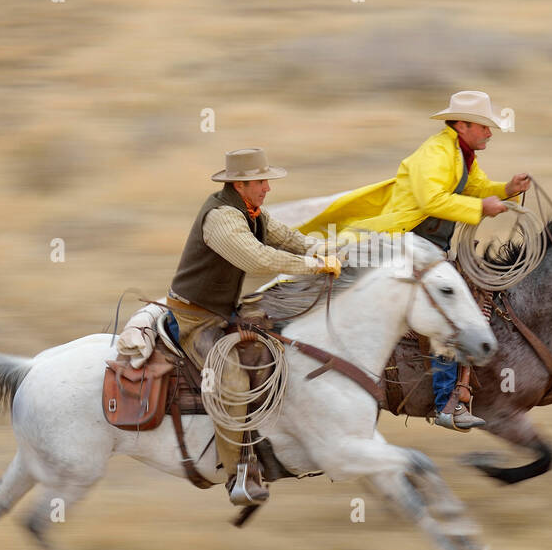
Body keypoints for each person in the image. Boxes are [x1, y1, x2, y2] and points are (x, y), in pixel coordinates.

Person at [297, 91, 530, 431]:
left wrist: (506, 188)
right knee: (448, 309)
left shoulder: (461, 154)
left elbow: (476, 186)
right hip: (403, 242)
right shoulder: (436, 153)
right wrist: (481, 209)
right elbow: (432, 200)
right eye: (484, 126)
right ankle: (446, 403)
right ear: (462, 125)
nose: (490, 133)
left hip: (426, 245)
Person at [169, 147, 340, 505]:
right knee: (231, 377)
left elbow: (289, 238)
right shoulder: (222, 218)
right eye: (262, 181)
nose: (268, 188)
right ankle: (238, 477)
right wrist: (314, 267)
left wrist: (326, 251)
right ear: (241, 184)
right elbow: (258, 258)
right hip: (195, 317)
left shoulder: (252, 212)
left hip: (223, 310)